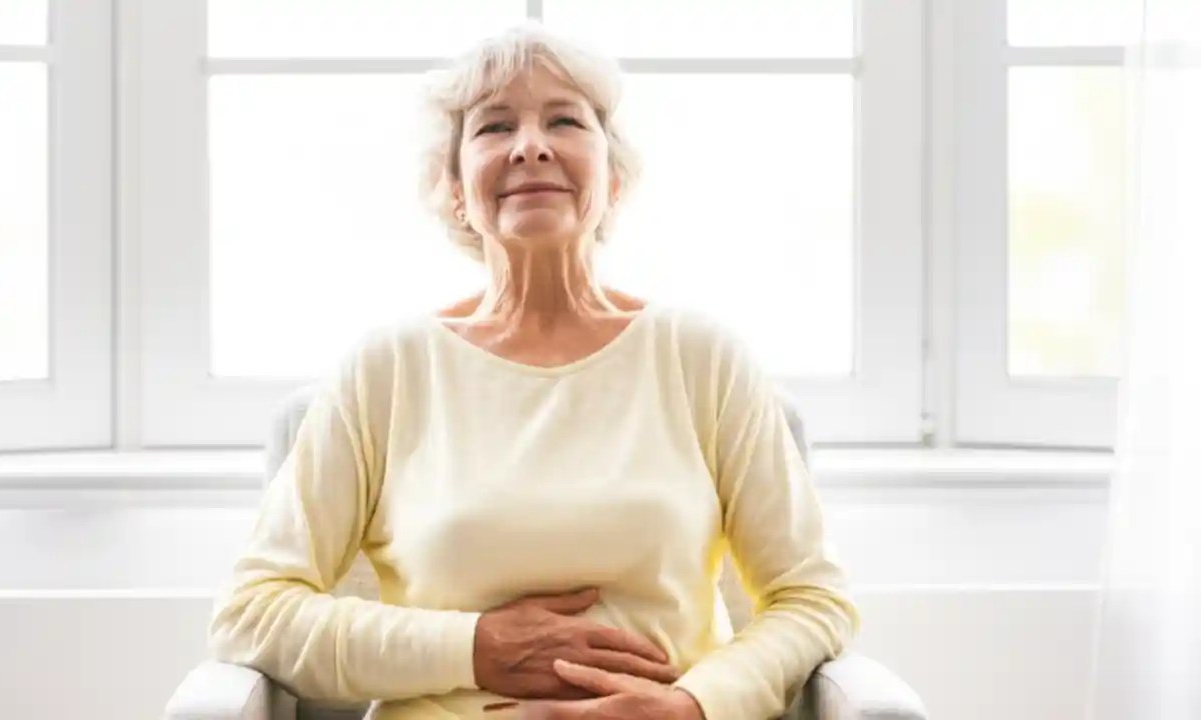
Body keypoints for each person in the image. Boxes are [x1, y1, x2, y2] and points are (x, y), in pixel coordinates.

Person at [206, 21, 861, 720]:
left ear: (612, 177)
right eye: (493, 127)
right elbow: (252, 614)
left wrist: (691, 705)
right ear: (455, 186)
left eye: (564, 120)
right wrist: (474, 647)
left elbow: (811, 599)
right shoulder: (387, 370)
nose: (531, 145)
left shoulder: (700, 358)